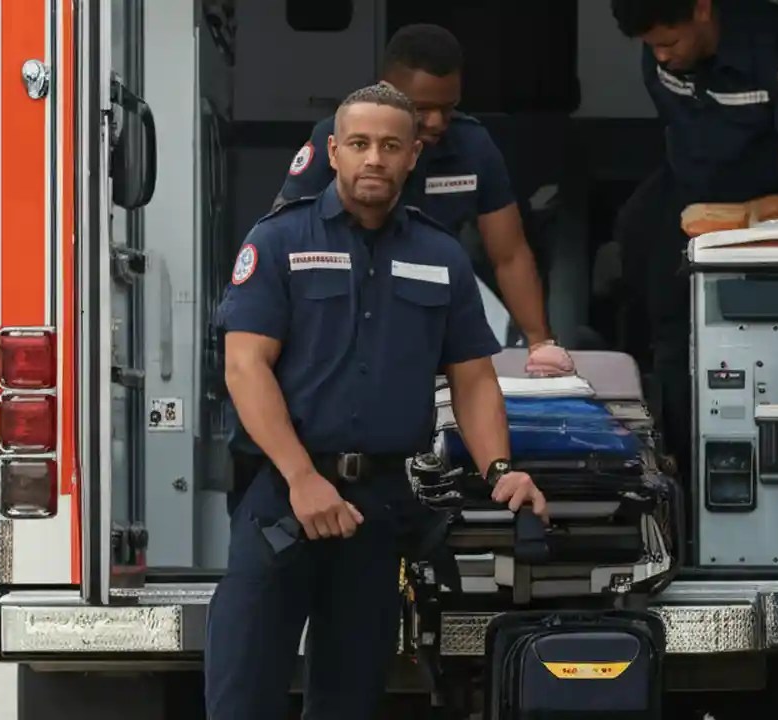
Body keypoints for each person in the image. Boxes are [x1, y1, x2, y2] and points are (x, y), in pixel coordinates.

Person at [204, 83, 549, 720]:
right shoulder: (277, 241)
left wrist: (501, 469)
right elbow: (245, 366)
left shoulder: (440, 255)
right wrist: (303, 478)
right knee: (243, 694)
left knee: (351, 700)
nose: (374, 159)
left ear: (412, 157)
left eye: (390, 146)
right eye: (359, 144)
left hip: (378, 510)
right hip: (284, 499)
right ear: (332, 151)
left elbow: (474, 380)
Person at [274, 23, 571, 375]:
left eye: (448, 108)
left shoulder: (472, 147)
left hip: (426, 302)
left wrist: (540, 345)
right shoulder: (340, 137)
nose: (437, 122)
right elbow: (283, 239)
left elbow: (509, 254)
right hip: (340, 302)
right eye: (422, 108)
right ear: (387, 91)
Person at [608, 0, 778, 493]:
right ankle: (674, 469)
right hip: (688, 192)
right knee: (636, 236)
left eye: (668, 43)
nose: (661, 59)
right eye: (651, 48)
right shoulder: (661, 55)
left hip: (764, 201)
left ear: (701, 9)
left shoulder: (773, 44)